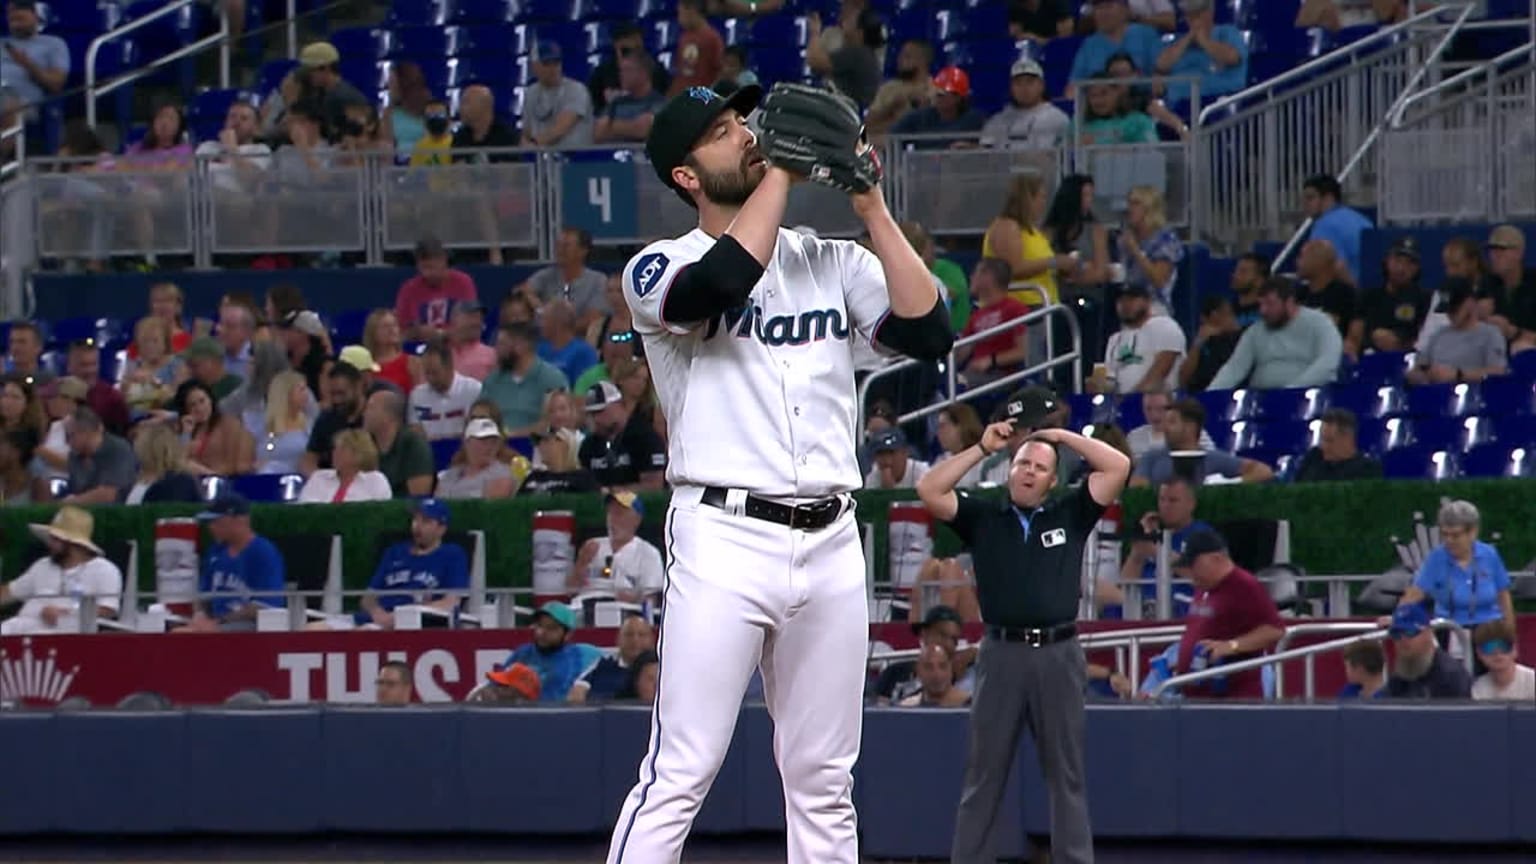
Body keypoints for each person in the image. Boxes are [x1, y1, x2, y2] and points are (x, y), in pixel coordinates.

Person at [606, 83, 953, 864]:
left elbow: (931, 331)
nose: (745, 136)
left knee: (824, 777)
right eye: (722, 133)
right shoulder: (658, 267)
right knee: (681, 769)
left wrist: (869, 203)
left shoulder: (830, 260)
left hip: (830, 540)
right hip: (724, 536)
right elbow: (719, 286)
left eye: (740, 123)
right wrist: (784, 178)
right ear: (686, 177)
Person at [915, 418, 1131, 864]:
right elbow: (930, 490)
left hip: (1059, 652)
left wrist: (1059, 437)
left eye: (1039, 466)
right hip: (1001, 654)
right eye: (1021, 463)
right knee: (984, 776)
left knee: (1066, 777)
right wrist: (981, 447)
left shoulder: (1070, 512)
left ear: (1052, 481)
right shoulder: (984, 517)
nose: (1029, 471)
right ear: (1008, 470)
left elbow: (1118, 466)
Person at [1394, 499, 1515, 634]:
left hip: (1490, 630)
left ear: (1473, 532)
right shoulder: (1436, 558)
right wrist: (1397, 617)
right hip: (1449, 629)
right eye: (1445, 534)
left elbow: (1503, 595)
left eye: (1456, 535)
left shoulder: (1489, 554)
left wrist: (1510, 632)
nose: (1449, 541)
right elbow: (1415, 593)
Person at [0, 506, 122, 635]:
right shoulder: (43, 565)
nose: (49, 544)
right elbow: (10, 592)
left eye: (55, 539)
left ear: (74, 544)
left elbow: (108, 610)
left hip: (65, 635)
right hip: (19, 629)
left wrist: (65, 614)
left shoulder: (105, 571)